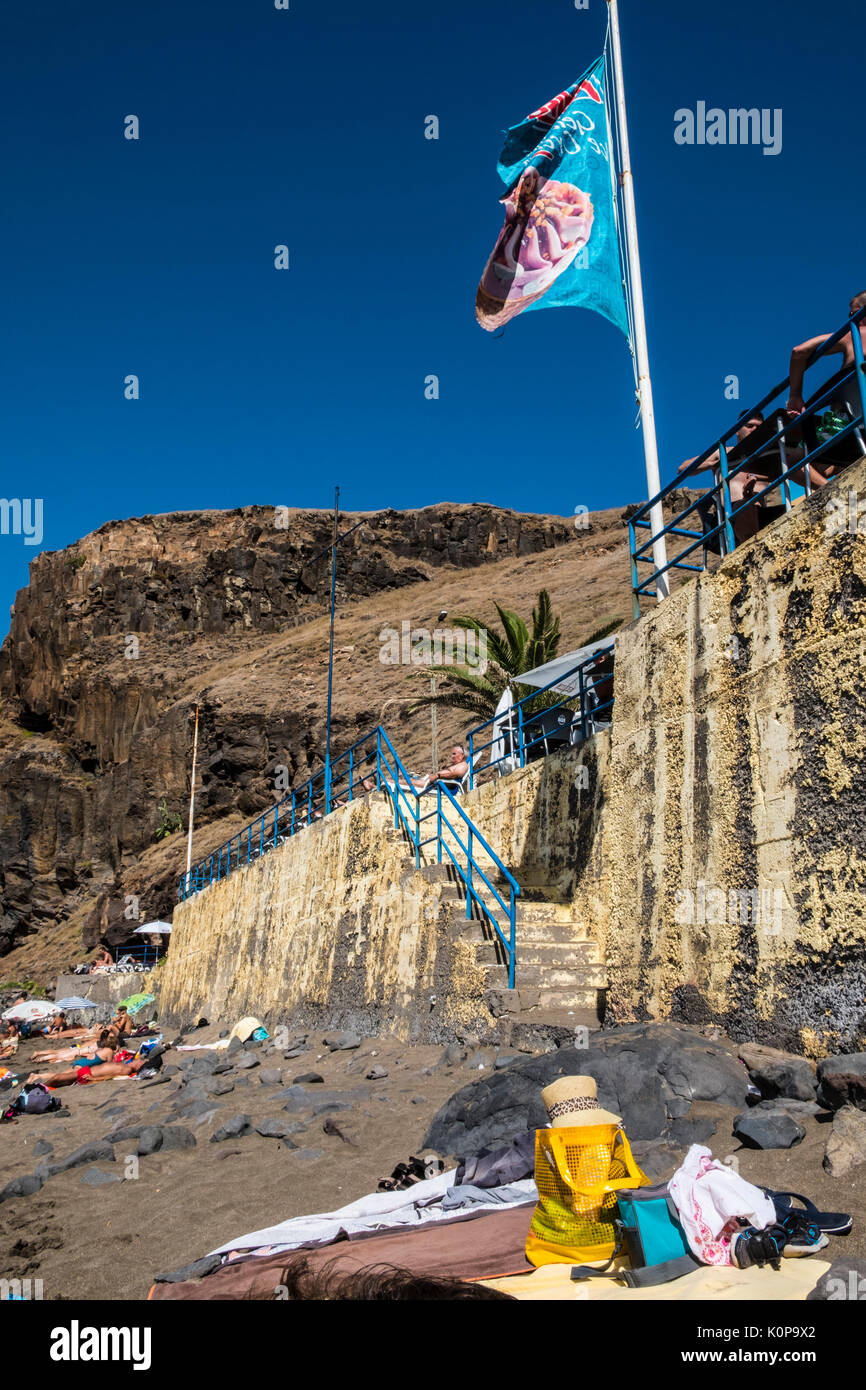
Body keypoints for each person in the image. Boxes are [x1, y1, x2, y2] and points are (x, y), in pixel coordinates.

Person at [786, 291, 866, 482]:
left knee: (792, 458)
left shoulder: (853, 335)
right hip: (855, 436)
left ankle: (830, 494)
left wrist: (795, 395)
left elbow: (799, 352)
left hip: (852, 429)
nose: (850, 320)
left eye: (853, 314)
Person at [26, 1050, 162, 1088]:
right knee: (59, 1076)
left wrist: (94, 1079)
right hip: (86, 1070)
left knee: (57, 1078)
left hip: (87, 1074)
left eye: (140, 1061)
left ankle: (40, 1088)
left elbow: (110, 1077)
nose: (138, 1059)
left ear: (139, 1066)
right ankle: (39, 1082)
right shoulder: (125, 1064)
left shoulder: (126, 1070)